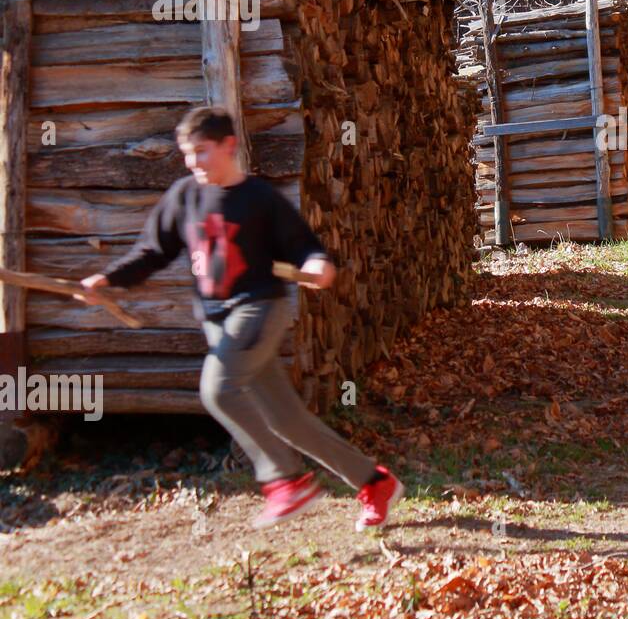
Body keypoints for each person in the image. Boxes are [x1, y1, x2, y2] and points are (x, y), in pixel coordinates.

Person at [78, 105, 403, 531]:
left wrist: (319, 264)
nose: (193, 162)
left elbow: (303, 246)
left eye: (202, 151)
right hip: (217, 321)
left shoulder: (259, 199)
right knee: (287, 421)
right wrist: (107, 278)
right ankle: (374, 481)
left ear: (229, 145)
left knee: (217, 389)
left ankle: (286, 480)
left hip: (257, 310)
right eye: (187, 154)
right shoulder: (184, 197)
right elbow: (152, 252)